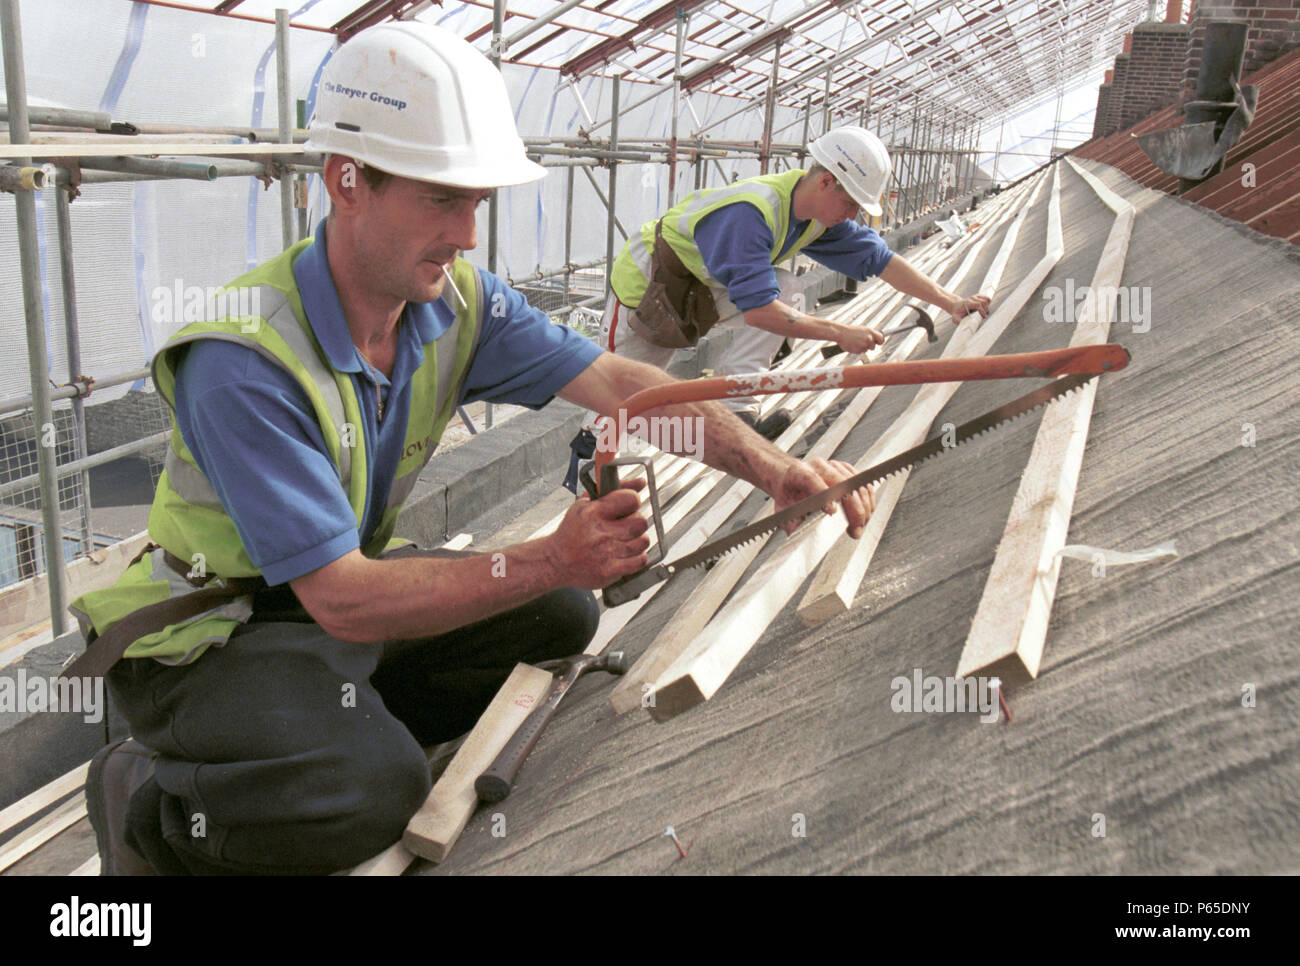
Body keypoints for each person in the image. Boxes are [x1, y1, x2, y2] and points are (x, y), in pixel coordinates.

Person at [70, 21, 877, 875]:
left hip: (320, 614)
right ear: (346, 181)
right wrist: (550, 555)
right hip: (213, 639)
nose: (466, 235)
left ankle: (324, 724)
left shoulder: (455, 303)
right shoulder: (243, 359)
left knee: (563, 617)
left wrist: (775, 471)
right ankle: (152, 809)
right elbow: (344, 600)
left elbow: (625, 389)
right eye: (440, 199)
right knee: (374, 792)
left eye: (478, 203)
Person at [587, 126, 992, 444]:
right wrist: (838, 332)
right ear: (827, 181)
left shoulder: (819, 216)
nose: (852, 214)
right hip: (651, 288)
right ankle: (588, 469)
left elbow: (881, 259)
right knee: (623, 394)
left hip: (701, 285)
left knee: (788, 290)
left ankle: (736, 408)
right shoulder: (751, 213)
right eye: (851, 202)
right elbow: (761, 312)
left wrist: (952, 302)